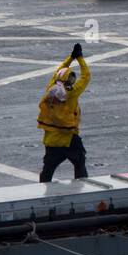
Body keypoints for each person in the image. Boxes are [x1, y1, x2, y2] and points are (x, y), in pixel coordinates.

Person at [37, 43, 91, 182]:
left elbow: (58, 71)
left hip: (51, 139)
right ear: (69, 81)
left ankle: (41, 194)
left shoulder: (51, 88)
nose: (74, 79)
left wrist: (70, 58)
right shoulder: (71, 93)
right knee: (80, 163)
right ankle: (82, 189)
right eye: (72, 78)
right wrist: (79, 58)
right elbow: (86, 76)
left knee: (47, 171)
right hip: (68, 138)